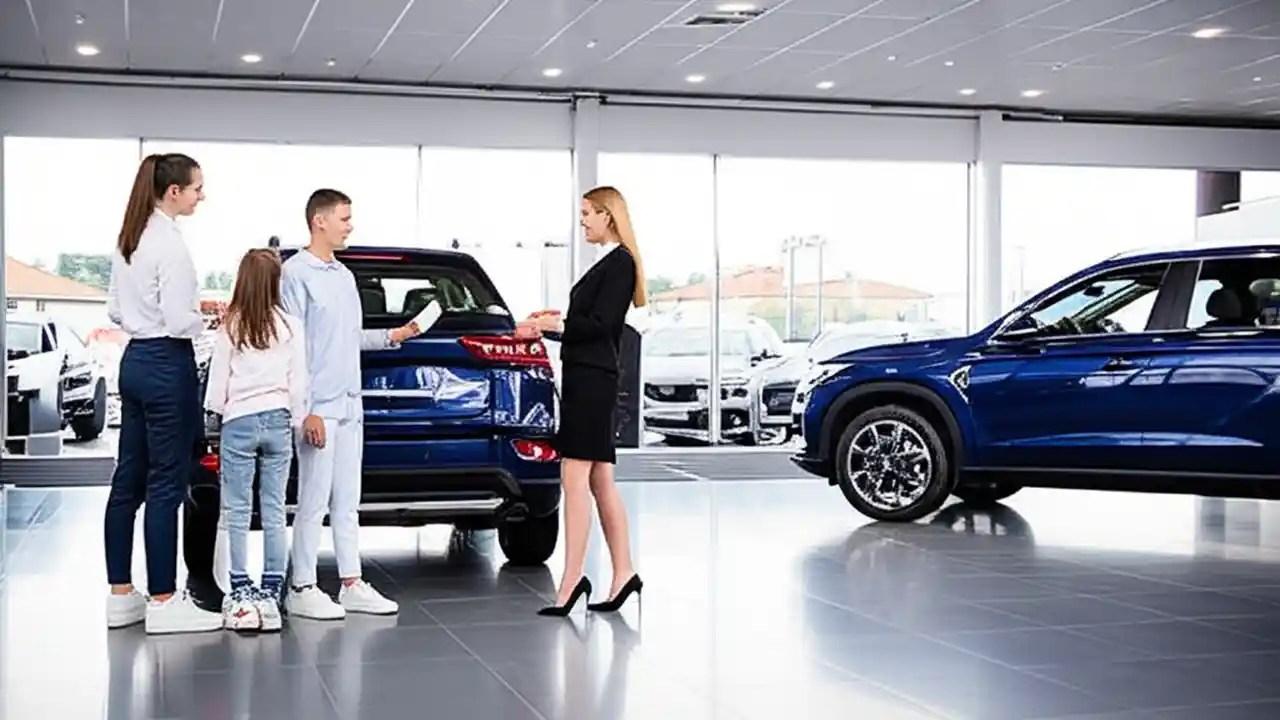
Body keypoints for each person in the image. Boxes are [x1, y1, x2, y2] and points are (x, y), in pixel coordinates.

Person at [281, 188, 423, 619]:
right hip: (318, 408)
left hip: (350, 403)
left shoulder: (343, 275)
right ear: (319, 220)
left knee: (347, 501)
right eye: (344, 218)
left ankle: (351, 583)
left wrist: (394, 336)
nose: (350, 226)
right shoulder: (295, 274)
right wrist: (306, 409)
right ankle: (301, 586)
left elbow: (347, 338)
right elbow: (294, 346)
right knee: (313, 500)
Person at [104, 153, 223, 634]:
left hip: (133, 361)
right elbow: (178, 321)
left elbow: (116, 311)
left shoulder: (129, 238)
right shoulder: (171, 244)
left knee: (127, 482)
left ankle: (121, 596)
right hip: (166, 364)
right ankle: (164, 599)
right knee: (166, 485)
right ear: (174, 191)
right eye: (197, 188)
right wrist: (206, 318)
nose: (201, 196)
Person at [523, 186, 646, 616]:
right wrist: (554, 323)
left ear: (608, 215)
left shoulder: (620, 263)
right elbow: (590, 326)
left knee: (573, 477)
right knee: (600, 481)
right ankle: (624, 573)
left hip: (592, 382)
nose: (583, 221)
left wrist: (554, 327)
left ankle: (572, 579)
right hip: (587, 378)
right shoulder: (609, 261)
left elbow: (601, 326)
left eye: (588, 213)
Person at [203, 249, 308, 632]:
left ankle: (241, 591)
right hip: (278, 419)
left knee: (237, 510)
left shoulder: (232, 325)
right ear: (275, 283)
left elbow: (218, 379)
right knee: (275, 509)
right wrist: (297, 420)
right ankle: (271, 594)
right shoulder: (291, 326)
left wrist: (214, 414)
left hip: (239, 421)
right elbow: (299, 381)